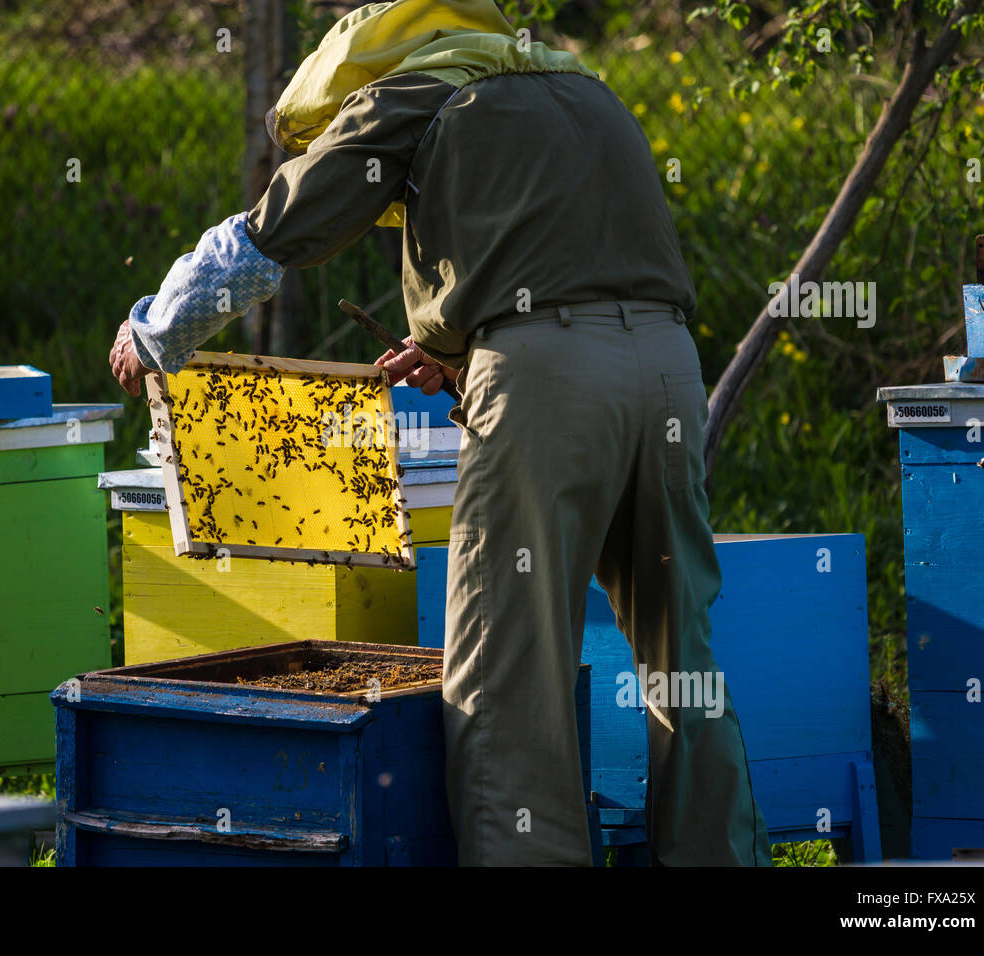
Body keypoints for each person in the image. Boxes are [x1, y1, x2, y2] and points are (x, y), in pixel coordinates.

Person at [109, 0, 771, 866]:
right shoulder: (578, 84)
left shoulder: (416, 92)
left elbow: (284, 224)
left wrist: (160, 328)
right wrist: (460, 346)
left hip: (548, 385)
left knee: (509, 664)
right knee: (681, 647)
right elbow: (567, 260)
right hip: (669, 371)